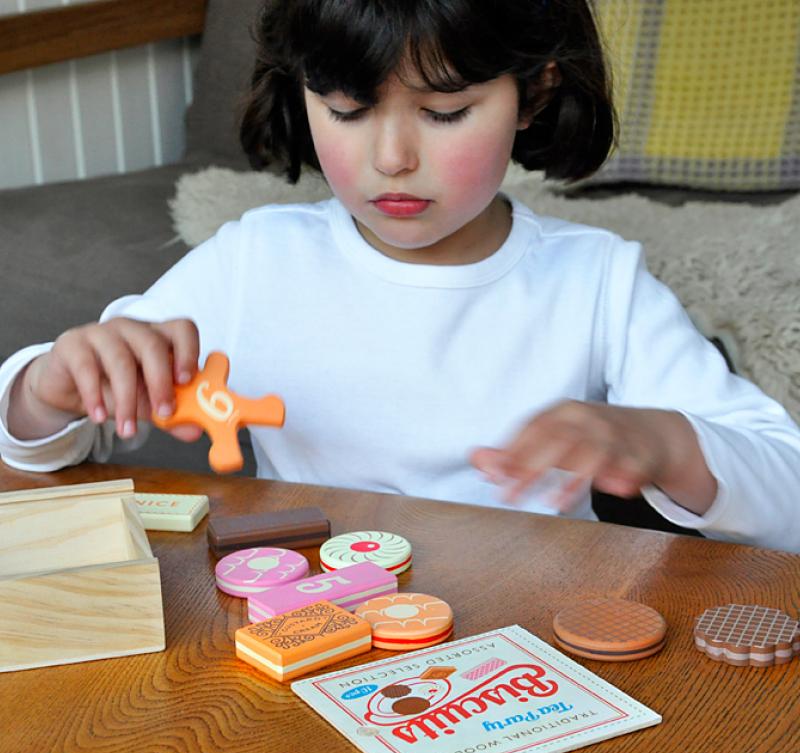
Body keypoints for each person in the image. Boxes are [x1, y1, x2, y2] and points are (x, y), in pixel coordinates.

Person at [1, 0, 799, 552]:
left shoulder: (598, 281)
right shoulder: (255, 261)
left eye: (444, 112)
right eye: (347, 110)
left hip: (533, 634)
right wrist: (45, 390)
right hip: (312, 620)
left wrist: (665, 443)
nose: (391, 159)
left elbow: (787, 496)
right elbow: (32, 451)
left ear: (535, 93)